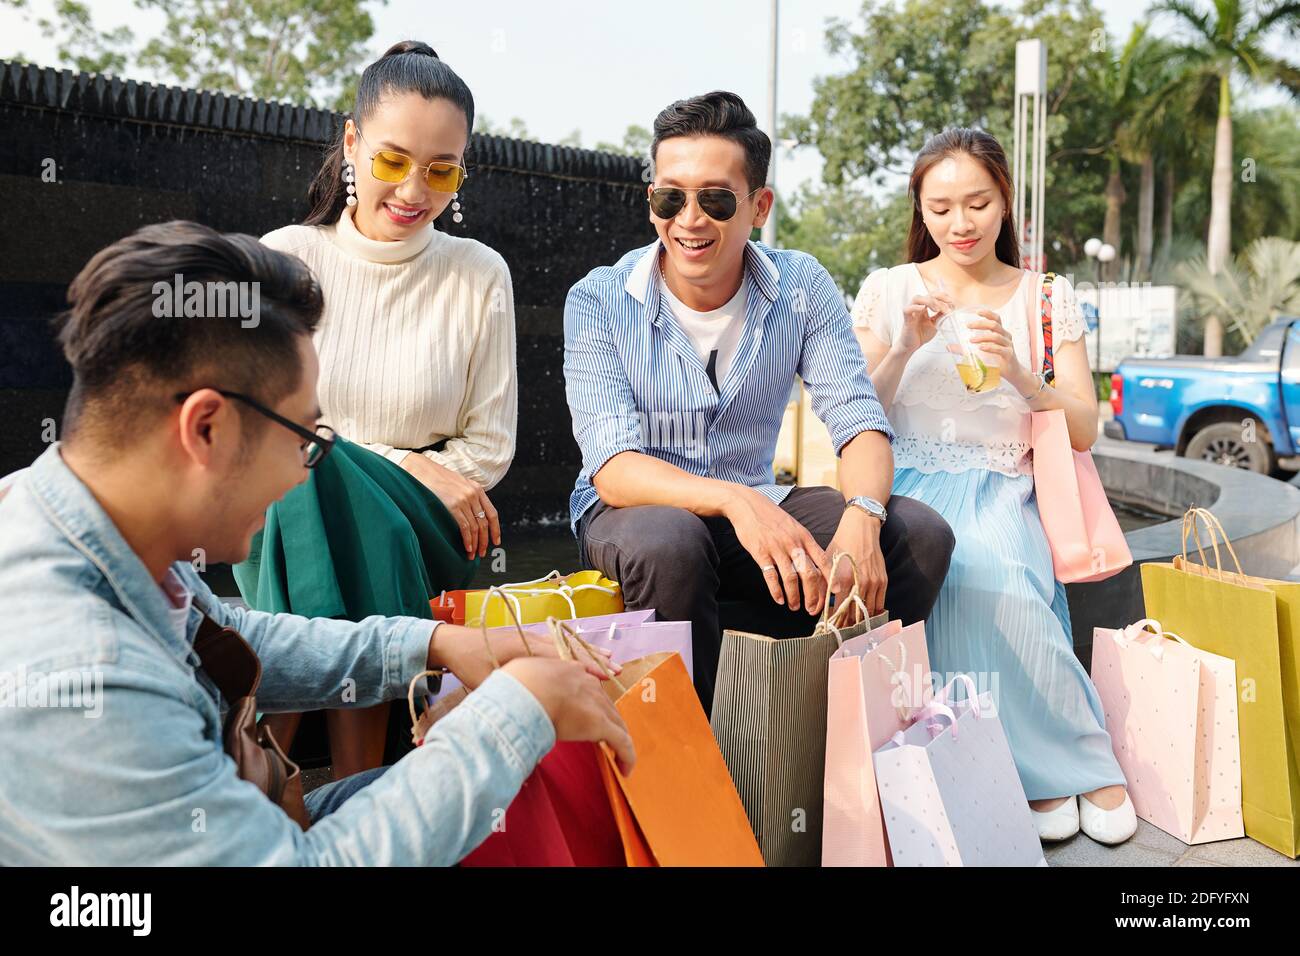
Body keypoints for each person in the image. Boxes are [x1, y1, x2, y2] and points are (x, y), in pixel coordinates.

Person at [0, 221, 632, 865]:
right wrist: (510, 715)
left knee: (516, 786)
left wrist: (441, 643)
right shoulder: (85, 673)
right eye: (303, 437)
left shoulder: (83, 522)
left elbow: (241, 638)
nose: (305, 470)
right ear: (207, 429)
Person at [563, 91, 955, 709]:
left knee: (920, 535)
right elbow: (613, 468)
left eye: (715, 200)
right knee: (673, 543)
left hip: (757, 504)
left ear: (759, 206)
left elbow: (859, 423)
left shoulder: (801, 286)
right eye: (671, 197)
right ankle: (689, 765)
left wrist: (863, 517)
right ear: (652, 203)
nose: (689, 220)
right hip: (636, 514)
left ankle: (825, 734)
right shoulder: (599, 299)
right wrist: (736, 501)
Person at [237, 40, 519, 775]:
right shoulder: (286, 257)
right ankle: (369, 783)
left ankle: (267, 766)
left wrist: (383, 470)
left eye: (441, 170)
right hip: (287, 511)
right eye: (394, 161)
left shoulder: (478, 273)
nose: (414, 189)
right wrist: (402, 461)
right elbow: (266, 419)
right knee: (313, 467)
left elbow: (488, 449)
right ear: (353, 144)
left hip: (424, 524)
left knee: (321, 465)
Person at [850, 127, 1135, 845]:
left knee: (1005, 573)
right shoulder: (889, 291)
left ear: (1004, 201)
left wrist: (1018, 371)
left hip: (1004, 483)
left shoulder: (1044, 298)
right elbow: (855, 413)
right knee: (950, 569)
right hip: (907, 482)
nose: (960, 223)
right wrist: (908, 346)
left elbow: (1082, 427)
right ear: (921, 209)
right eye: (941, 207)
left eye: (977, 202)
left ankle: (1073, 760)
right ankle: (997, 765)